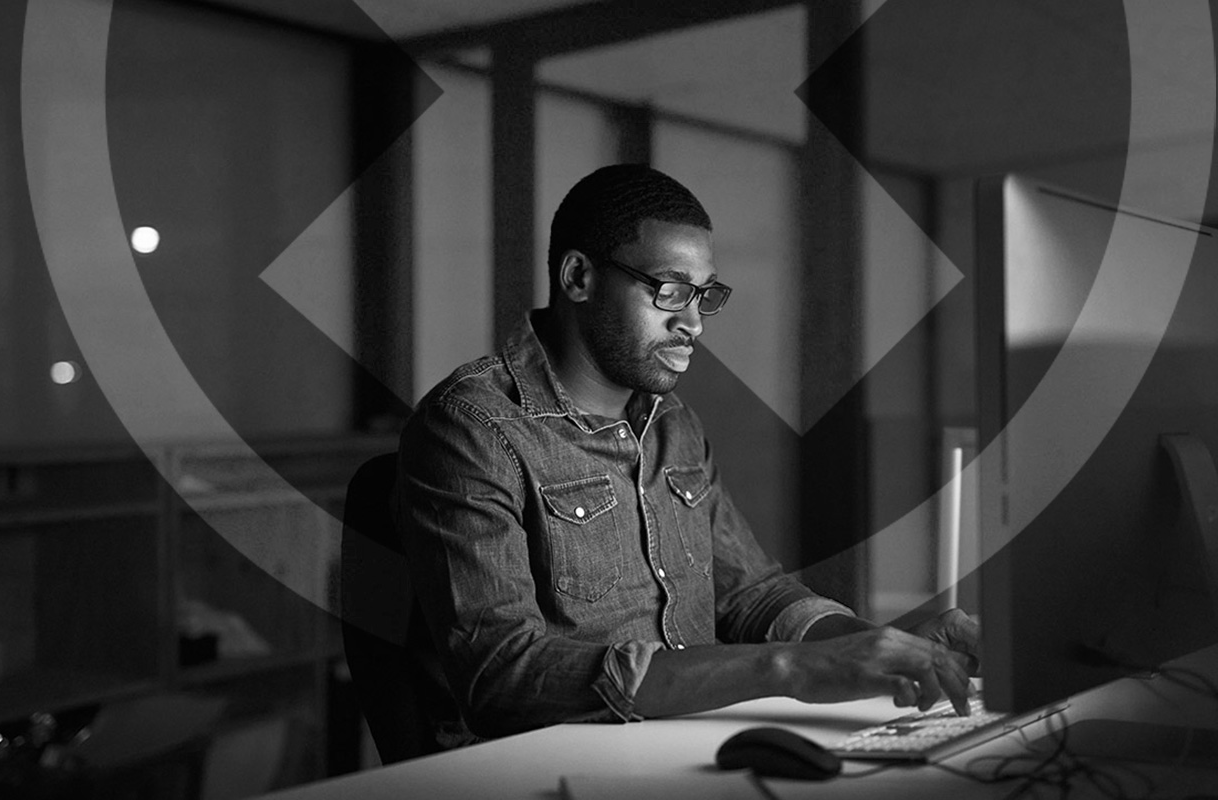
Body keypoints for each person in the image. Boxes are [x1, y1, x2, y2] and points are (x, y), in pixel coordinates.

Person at [395, 164, 979, 747]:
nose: (693, 323)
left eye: (703, 295)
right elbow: (504, 676)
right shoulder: (471, 427)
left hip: (689, 746)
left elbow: (752, 594)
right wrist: (788, 668)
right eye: (668, 290)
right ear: (579, 277)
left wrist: (888, 650)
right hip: (556, 765)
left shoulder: (673, 423)